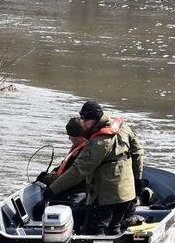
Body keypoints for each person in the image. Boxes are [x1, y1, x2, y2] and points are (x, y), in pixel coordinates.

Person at [45, 100, 145, 235]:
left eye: (86, 120)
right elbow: (138, 153)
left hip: (107, 197)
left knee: (92, 232)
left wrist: (52, 189)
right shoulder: (123, 128)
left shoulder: (99, 142)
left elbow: (78, 171)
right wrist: (137, 180)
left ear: (95, 119)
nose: (83, 124)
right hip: (127, 194)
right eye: (82, 119)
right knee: (113, 228)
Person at [33, 117, 89, 220]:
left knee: (38, 208)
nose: (69, 139)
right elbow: (63, 168)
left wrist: (45, 178)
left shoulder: (84, 152)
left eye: (70, 136)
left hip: (76, 193)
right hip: (73, 190)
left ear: (77, 136)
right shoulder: (80, 148)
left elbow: (68, 178)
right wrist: (50, 174)